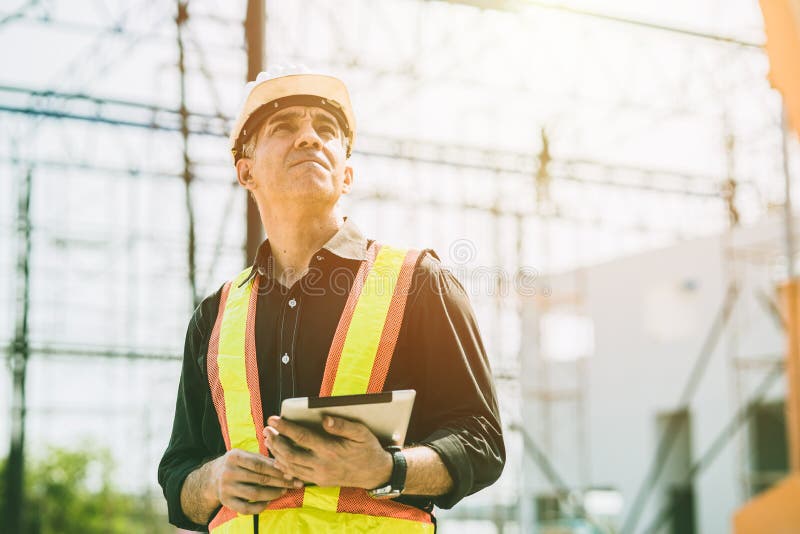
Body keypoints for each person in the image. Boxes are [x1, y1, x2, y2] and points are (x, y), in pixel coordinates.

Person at [158, 66, 505, 533]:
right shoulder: (215, 316)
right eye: (284, 128)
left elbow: (481, 442)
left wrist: (387, 469)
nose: (309, 138)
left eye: (325, 130)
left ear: (347, 174)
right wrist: (214, 480)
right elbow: (179, 473)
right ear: (246, 171)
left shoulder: (418, 283)